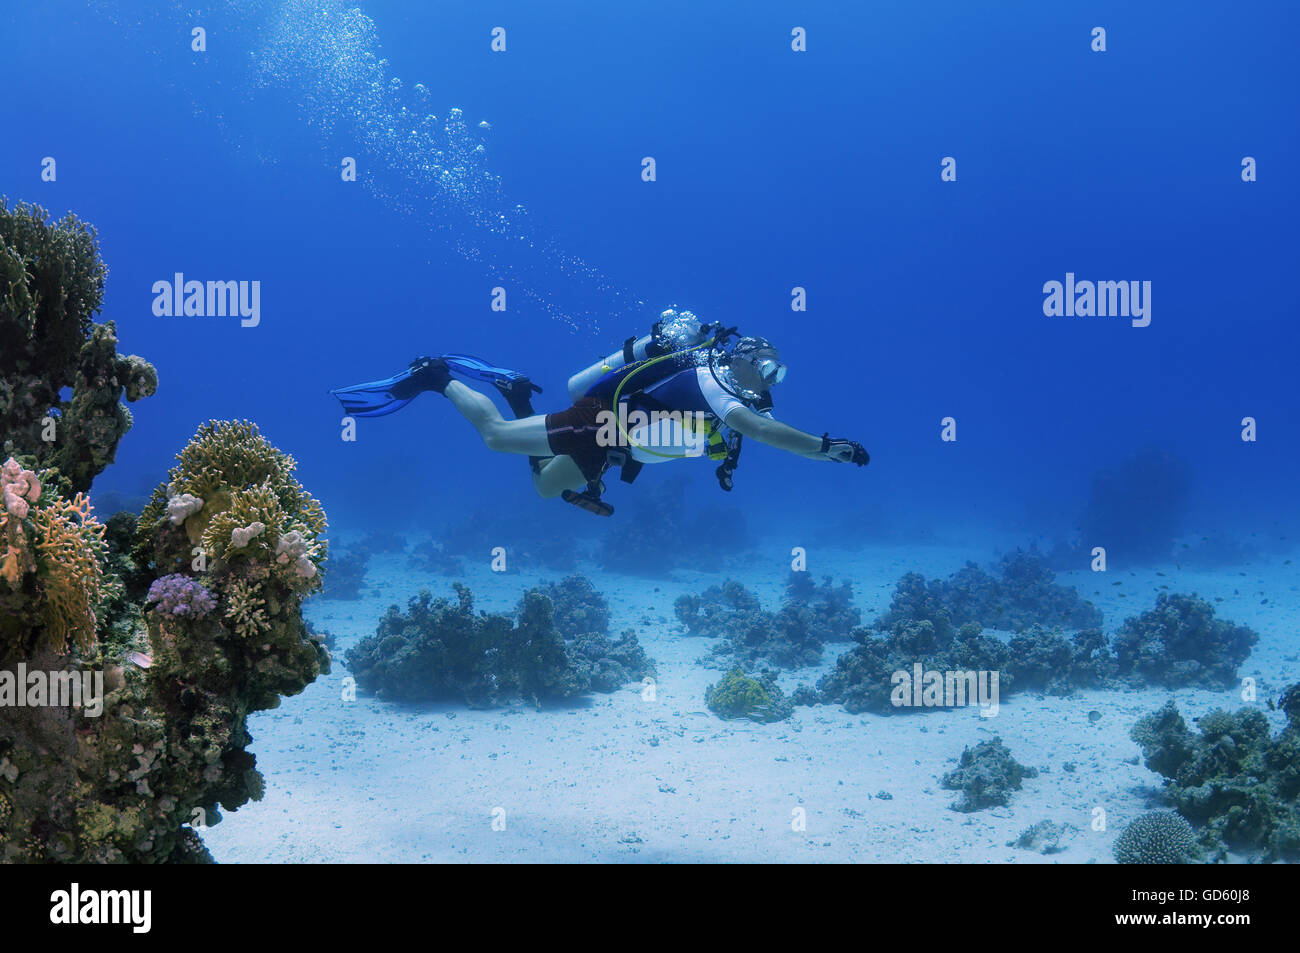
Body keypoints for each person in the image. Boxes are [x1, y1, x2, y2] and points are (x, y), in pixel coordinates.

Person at [331, 314, 868, 515]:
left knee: (544, 488)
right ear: (748, 359)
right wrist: (828, 449)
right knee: (494, 438)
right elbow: (765, 431)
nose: (773, 386)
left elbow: (730, 435)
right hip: (598, 425)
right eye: (773, 373)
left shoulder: (725, 393)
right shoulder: (716, 383)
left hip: (613, 446)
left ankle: (517, 392)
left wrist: (726, 459)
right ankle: (437, 375)